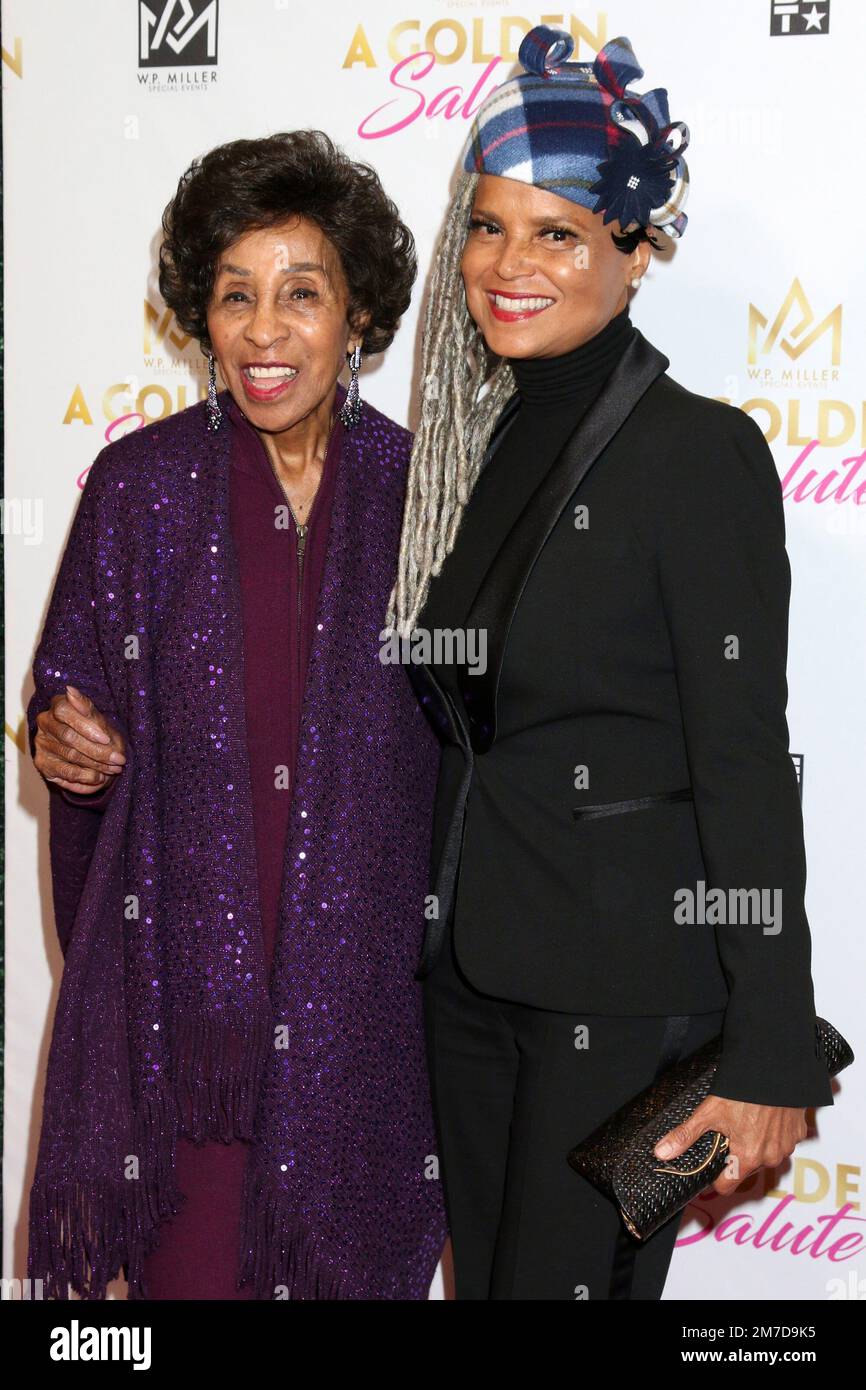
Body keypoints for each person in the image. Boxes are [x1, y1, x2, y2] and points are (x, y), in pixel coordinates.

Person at [386, 28, 834, 1300]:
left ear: (635, 255)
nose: (505, 266)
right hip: (470, 976)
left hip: (624, 991)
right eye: (486, 228)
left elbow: (745, 758)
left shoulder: (698, 455)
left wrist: (764, 1047)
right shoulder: (467, 448)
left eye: (557, 234)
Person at [27, 130, 447, 1300]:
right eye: (234, 296)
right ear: (198, 316)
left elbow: (481, 749)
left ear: (356, 314)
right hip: (187, 1033)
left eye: (300, 295)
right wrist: (68, 747)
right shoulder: (139, 487)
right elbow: (71, 701)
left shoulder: (428, 501)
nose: (265, 332)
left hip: (369, 1033)